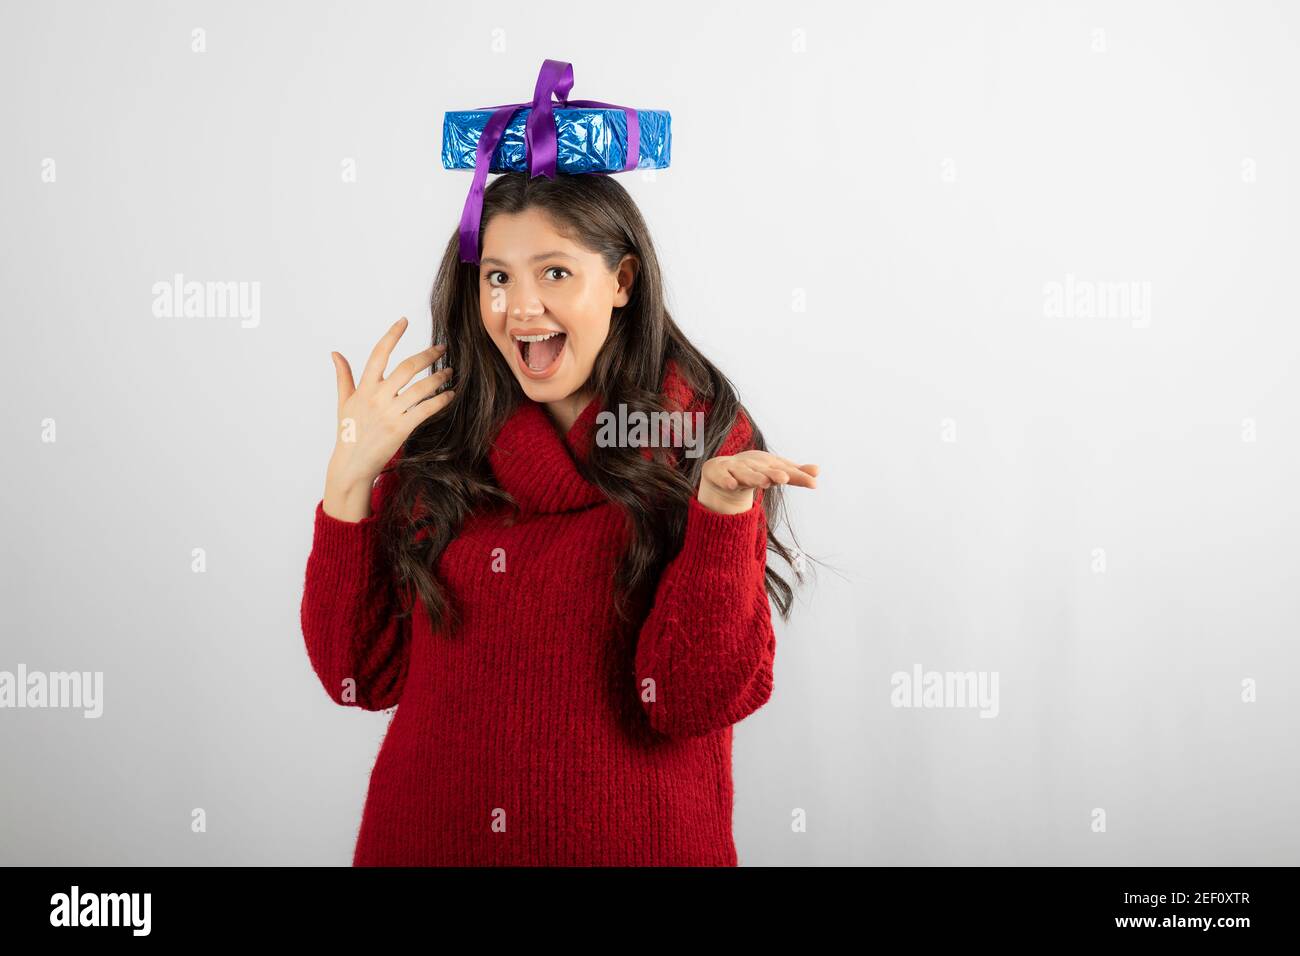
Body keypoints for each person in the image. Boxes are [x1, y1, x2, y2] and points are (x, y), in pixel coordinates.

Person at [301, 170, 820, 865]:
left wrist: (723, 514)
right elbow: (357, 675)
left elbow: (694, 703)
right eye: (497, 278)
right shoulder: (441, 449)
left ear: (622, 281)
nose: (521, 307)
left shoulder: (697, 440)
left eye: (553, 272)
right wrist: (350, 478)